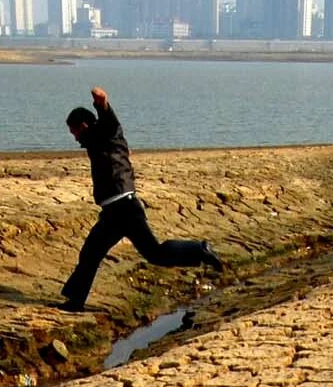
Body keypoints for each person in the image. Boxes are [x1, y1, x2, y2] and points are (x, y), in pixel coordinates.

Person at [59, 87, 222, 312]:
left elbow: (109, 121)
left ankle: (200, 250)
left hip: (124, 208)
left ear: (83, 126)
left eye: (74, 132)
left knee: (153, 253)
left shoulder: (108, 133)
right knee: (92, 253)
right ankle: (75, 301)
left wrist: (102, 103)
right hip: (113, 211)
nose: (74, 137)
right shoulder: (96, 142)